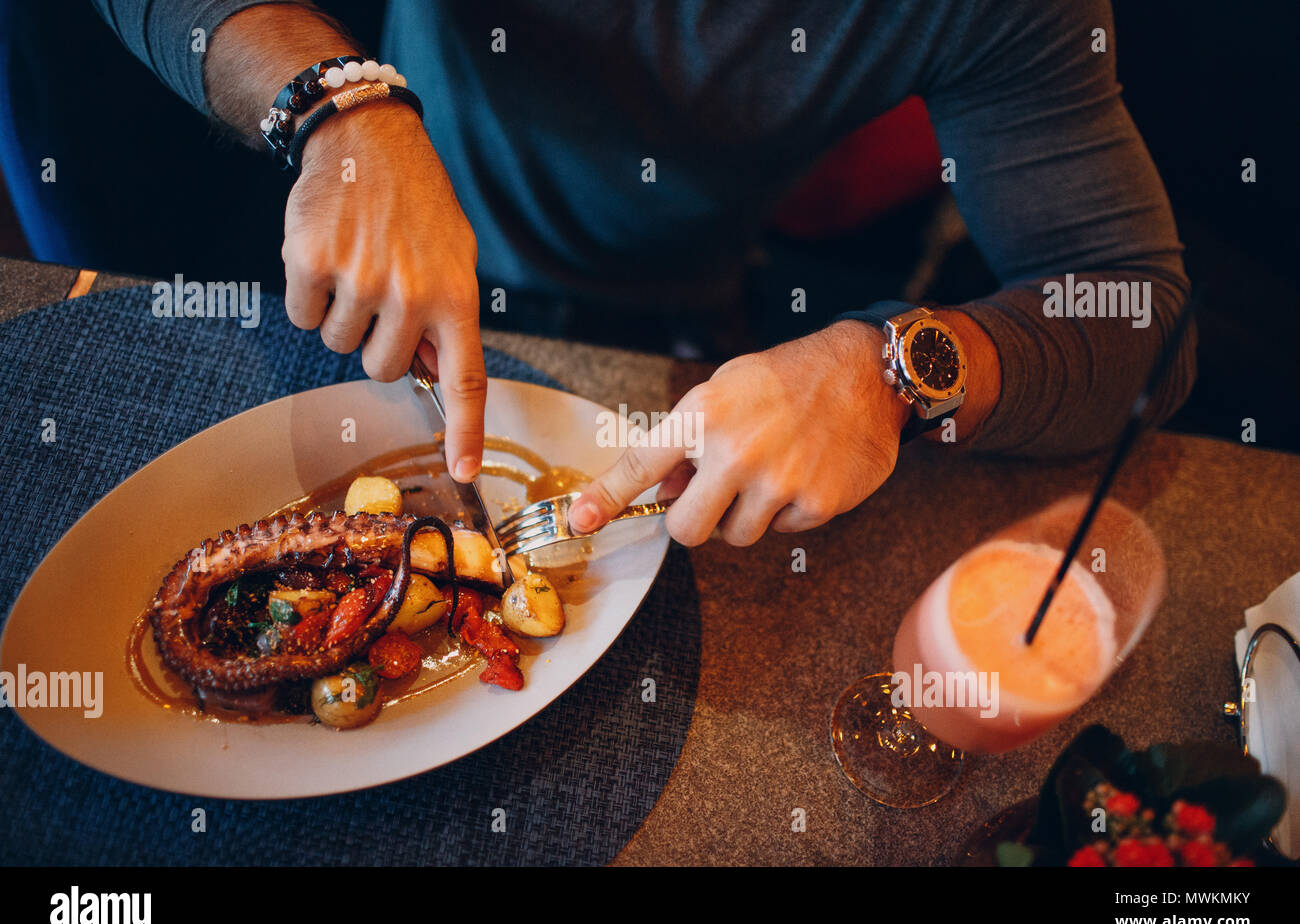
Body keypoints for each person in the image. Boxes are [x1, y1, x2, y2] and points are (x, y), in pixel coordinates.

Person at [93, 0, 1193, 547]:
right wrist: (337, 106)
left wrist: (888, 368)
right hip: (343, 266)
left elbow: (1141, 310)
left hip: (680, 341)